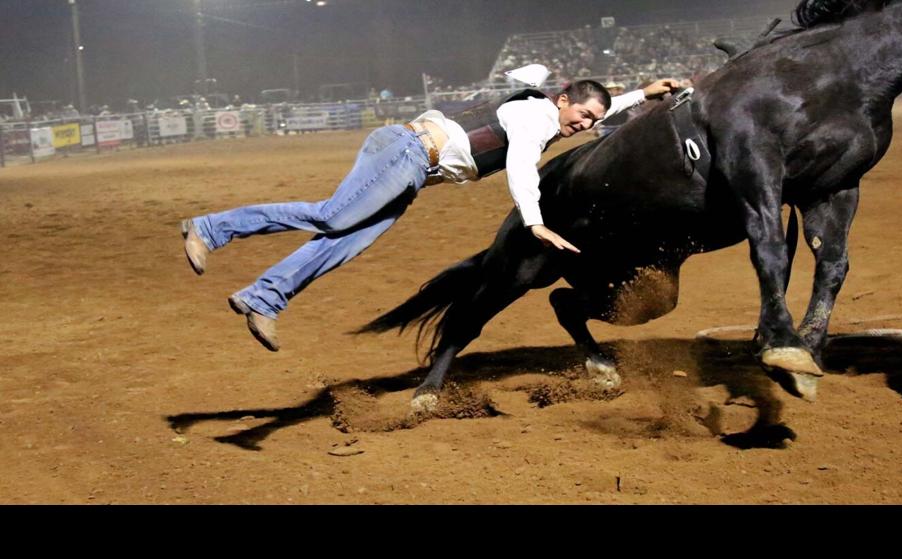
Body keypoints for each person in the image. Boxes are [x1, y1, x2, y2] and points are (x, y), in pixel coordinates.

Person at [179, 65, 686, 351]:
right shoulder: (534, 119)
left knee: (343, 242)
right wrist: (534, 224)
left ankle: (265, 298)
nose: (585, 125)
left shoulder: (558, 114)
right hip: (405, 153)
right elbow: (521, 170)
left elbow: (603, 106)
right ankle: (211, 227)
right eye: (582, 115)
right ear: (561, 100)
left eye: (593, 119)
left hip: (415, 167)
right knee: (333, 218)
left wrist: (642, 93)